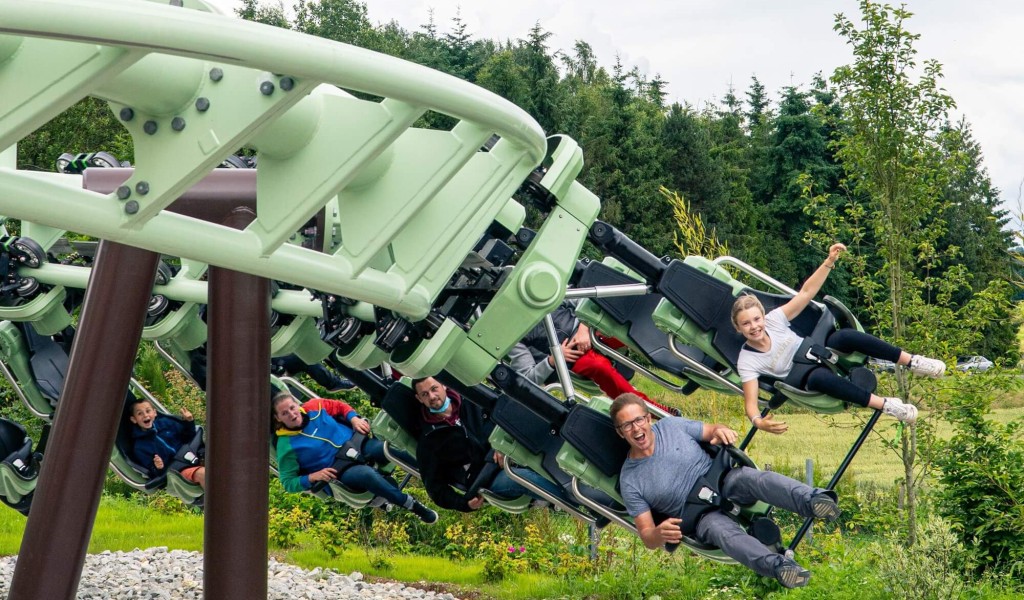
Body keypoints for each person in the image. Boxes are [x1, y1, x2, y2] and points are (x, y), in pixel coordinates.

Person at [612, 394, 839, 588]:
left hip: (721, 479)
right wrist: (659, 533)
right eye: (627, 425)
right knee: (723, 533)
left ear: (649, 418)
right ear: (621, 433)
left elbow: (712, 430)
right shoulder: (630, 480)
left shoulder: (672, 426)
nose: (636, 428)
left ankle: (813, 500)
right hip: (699, 515)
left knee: (753, 479)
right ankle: (780, 567)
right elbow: (647, 536)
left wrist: (722, 431)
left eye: (639, 420)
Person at [733, 243, 945, 434]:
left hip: (815, 348)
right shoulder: (747, 360)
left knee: (844, 336)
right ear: (738, 327)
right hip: (806, 374)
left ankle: (912, 361)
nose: (754, 327)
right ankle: (887, 405)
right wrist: (758, 421)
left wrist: (828, 262)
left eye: (756, 319)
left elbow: (806, 293)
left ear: (762, 316)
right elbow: (750, 403)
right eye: (746, 324)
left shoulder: (774, 320)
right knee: (820, 379)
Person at [412, 376, 585, 513]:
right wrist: (463, 504)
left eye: (434, 389)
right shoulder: (429, 440)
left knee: (546, 448)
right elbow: (435, 488)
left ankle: (586, 485)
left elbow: (506, 411)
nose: (432, 397)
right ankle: (581, 502)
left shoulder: (472, 398)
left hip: (511, 448)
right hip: (488, 474)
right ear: (419, 399)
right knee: (523, 477)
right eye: (425, 394)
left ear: (443, 385)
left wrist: (499, 445)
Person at [271, 392, 437, 523]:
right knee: (367, 475)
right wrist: (312, 477)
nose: (292, 414)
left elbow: (340, 407)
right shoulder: (286, 446)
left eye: (292, 408)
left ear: (296, 404)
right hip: (340, 467)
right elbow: (288, 483)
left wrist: (353, 418)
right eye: (285, 413)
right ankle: (413, 506)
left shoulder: (314, 406)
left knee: (388, 450)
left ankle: (437, 469)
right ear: (278, 418)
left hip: (356, 442)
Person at [508, 300, 680, 415]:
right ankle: (655, 410)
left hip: (589, 330)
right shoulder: (513, 336)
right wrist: (552, 360)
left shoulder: (544, 296)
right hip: (571, 355)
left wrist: (584, 326)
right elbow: (527, 377)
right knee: (600, 368)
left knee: (631, 332)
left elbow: (585, 299)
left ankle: (681, 351)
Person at [128, 398, 205, 489]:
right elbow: (151, 471)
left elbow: (187, 437)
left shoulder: (166, 423)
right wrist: (158, 467)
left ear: (155, 413)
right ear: (134, 419)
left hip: (194, 453)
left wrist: (189, 422)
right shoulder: (140, 447)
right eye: (140, 413)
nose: (145, 415)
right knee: (204, 474)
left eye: (148, 411)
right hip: (178, 471)